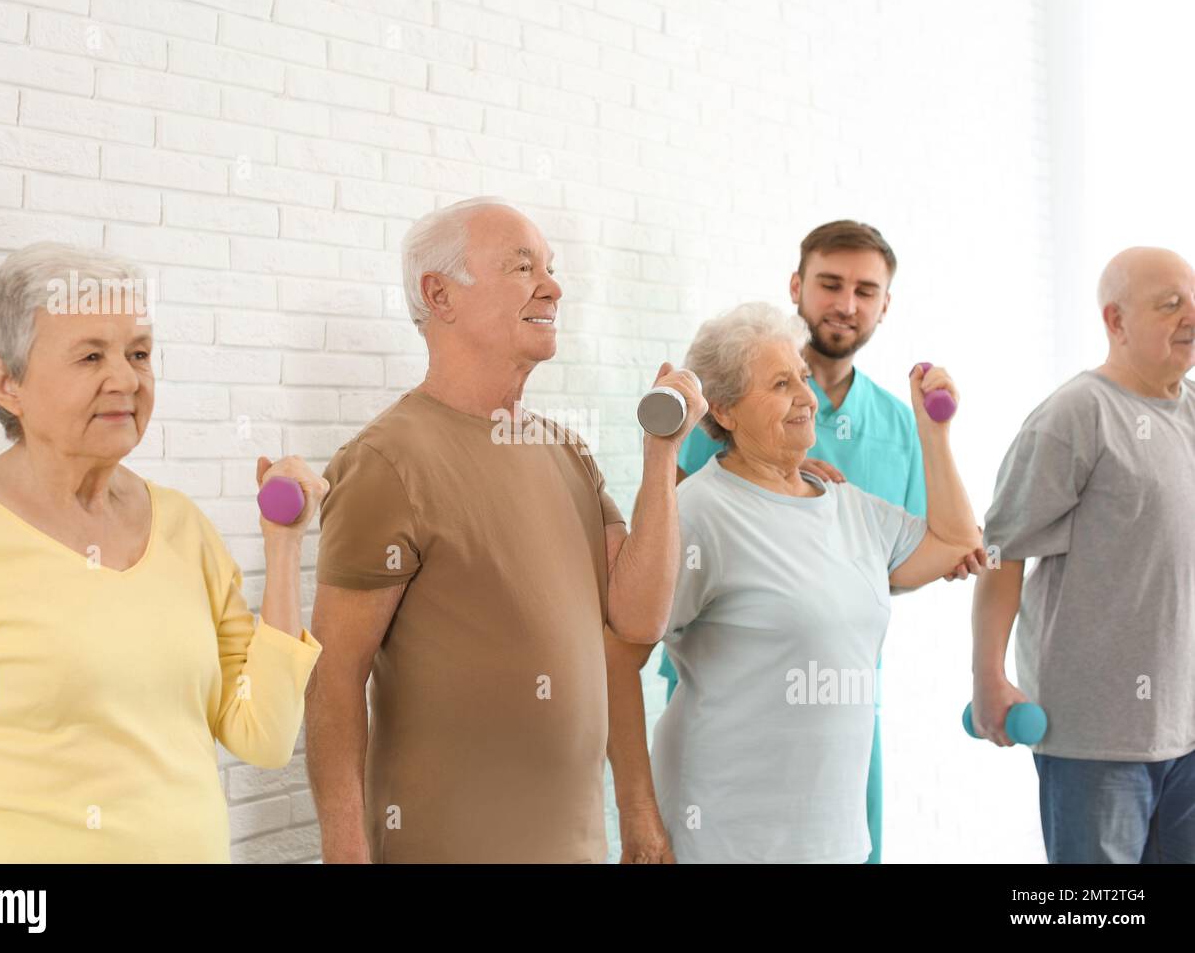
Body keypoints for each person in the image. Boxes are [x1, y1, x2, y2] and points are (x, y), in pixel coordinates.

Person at [0, 243, 326, 862]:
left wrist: (284, 546)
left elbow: (263, 734)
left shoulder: (183, 527)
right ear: (6, 381)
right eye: (91, 355)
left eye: (139, 354)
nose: (126, 378)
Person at [306, 197, 706, 863]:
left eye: (551, 268)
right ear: (441, 295)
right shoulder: (386, 463)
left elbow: (639, 618)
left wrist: (660, 454)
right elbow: (333, 677)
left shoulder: (566, 454)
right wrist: (346, 856)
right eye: (523, 267)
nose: (552, 286)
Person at [607, 301, 983, 862]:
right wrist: (638, 817)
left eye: (802, 377)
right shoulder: (699, 511)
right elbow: (616, 660)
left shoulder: (847, 506)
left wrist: (934, 432)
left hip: (833, 841)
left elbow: (955, 542)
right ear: (727, 411)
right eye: (781, 384)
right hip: (722, 837)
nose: (807, 397)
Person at [973, 246, 1195, 863]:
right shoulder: (1076, 415)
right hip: (1095, 740)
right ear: (1116, 322)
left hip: (1187, 731)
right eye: (1170, 304)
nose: (1190, 316)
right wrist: (987, 674)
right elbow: (1000, 551)